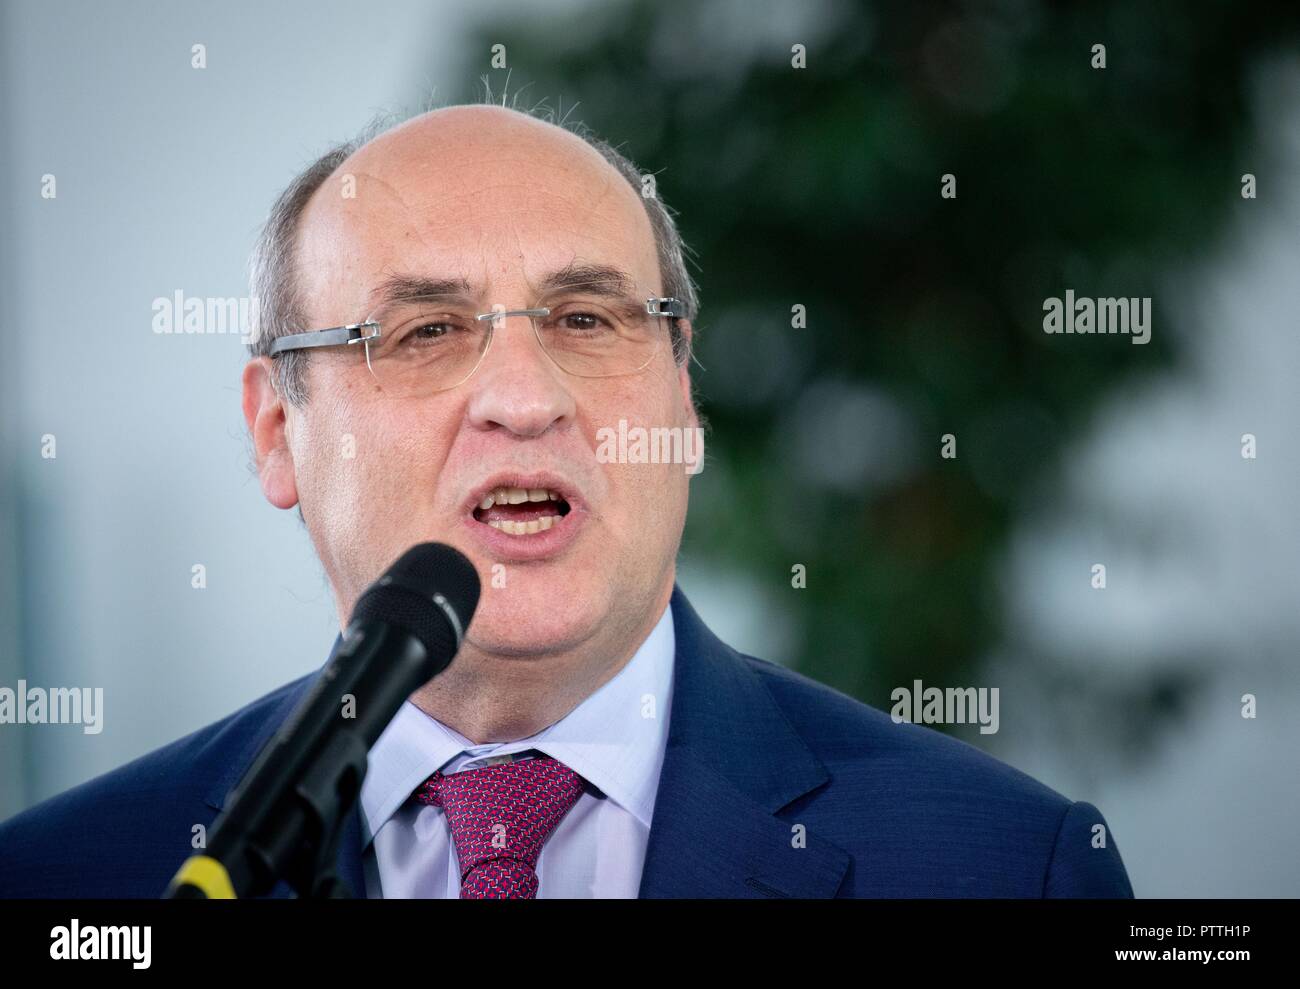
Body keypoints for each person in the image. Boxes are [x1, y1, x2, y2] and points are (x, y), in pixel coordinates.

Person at [0, 102, 1133, 898]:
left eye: (587, 320)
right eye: (426, 331)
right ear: (274, 429)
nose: (523, 396)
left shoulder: (1002, 865)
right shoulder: (77, 877)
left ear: (682, 401)